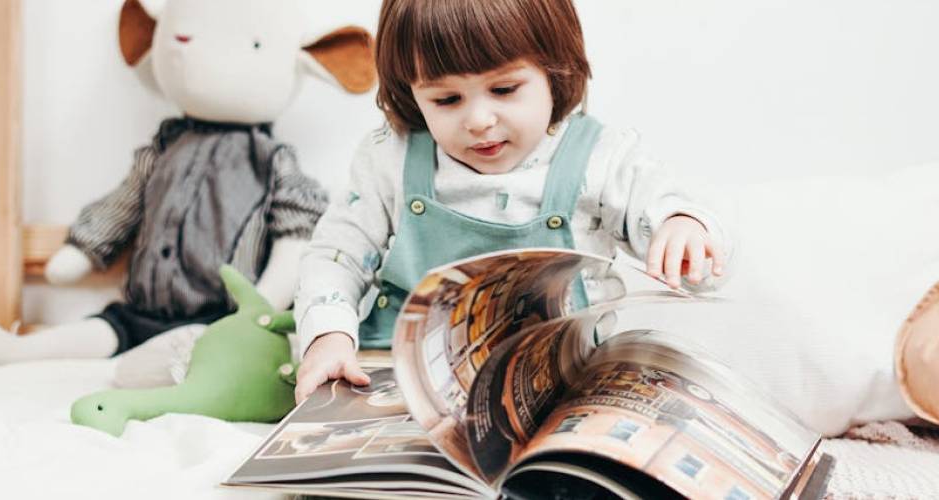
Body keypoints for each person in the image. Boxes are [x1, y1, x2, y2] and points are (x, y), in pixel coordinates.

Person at [292, 0, 733, 402]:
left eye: (504, 90)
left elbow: (677, 225)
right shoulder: (391, 158)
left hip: (557, 386)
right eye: (446, 99)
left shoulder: (600, 160)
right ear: (411, 93)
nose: (480, 120)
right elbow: (336, 253)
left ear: (555, 70)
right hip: (406, 381)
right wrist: (327, 335)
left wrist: (683, 228)